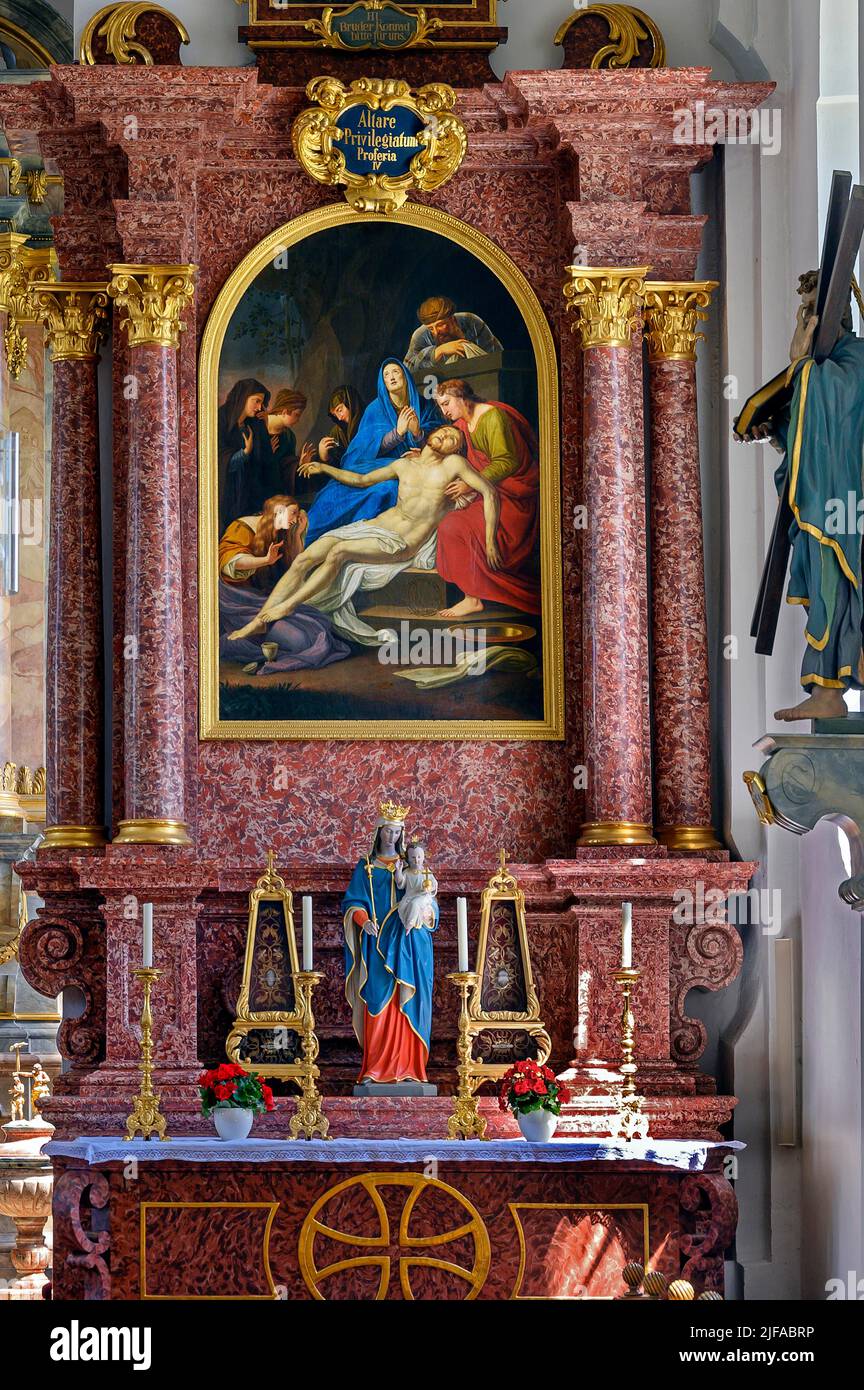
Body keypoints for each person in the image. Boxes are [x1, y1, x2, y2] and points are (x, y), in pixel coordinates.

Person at [227, 425, 500, 645]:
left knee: (339, 552)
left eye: (453, 437)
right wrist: (324, 468)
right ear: (430, 434)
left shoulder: (453, 464)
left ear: (456, 448)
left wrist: (489, 541)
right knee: (305, 558)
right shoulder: (403, 466)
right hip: (374, 527)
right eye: (444, 430)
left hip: (402, 542)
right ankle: (258, 621)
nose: (446, 434)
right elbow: (361, 481)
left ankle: (286, 607)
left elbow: (489, 492)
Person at [742, 273, 864, 721]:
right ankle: (826, 691)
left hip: (844, 511)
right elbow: (809, 436)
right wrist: (775, 428)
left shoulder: (854, 362)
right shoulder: (822, 372)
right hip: (821, 504)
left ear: (837, 314)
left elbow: (836, 413)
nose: (806, 319)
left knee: (836, 594)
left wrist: (798, 366)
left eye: (813, 309)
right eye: (804, 311)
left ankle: (829, 691)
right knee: (822, 591)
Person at [342, 803, 438, 1085]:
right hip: (378, 943)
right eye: (387, 831)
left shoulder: (413, 867)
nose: (391, 837)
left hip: (411, 943)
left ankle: (410, 1068)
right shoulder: (367, 866)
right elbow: (353, 901)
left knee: (410, 1000)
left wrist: (428, 912)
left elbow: (431, 903)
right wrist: (362, 921)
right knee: (379, 999)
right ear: (379, 831)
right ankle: (375, 1068)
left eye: (397, 832)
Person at [434, 378, 541, 618]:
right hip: (489, 494)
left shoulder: (492, 418)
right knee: (449, 525)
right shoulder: (463, 423)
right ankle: (471, 595)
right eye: (440, 405)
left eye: (447, 403)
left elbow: (507, 462)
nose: (444, 411)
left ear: (462, 398)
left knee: (454, 526)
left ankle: (473, 599)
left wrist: (470, 486)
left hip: (514, 500)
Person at [304, 359, 441, 544]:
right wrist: (398, 433)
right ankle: (307, 536)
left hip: (411, 469)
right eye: (386, 375)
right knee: (336, 494)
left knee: (386, 490)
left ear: (405, 375)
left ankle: (357, 538)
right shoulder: (375, 410)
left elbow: (439, 442)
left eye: (395, 372)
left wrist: (418, 434)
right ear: (382, 382)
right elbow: (363, 448)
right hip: (374, 466)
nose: (391, 377)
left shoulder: (425, 406)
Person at [218, 494, 350, 673]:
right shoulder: (243, 527)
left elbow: (295, 570)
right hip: (239, 603)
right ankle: (227, 643)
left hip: (267, 601)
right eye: (293, 513)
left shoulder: (282, 532)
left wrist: (297, 534)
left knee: (319, 630)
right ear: (278, 510)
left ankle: (257, 636)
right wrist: (264, 560)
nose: (295, 519)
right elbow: (229, 564)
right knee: (301, 641)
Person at [218, 378, 270, 529]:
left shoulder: (255, 424)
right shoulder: (221, 419)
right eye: (256, 401)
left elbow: (266, 464)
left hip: (250, 495)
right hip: (229, 495)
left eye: (261, 402)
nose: (260, 407)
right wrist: (245, 452)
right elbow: (219, 462)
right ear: (243, 397)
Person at [405, 295, 502, 371]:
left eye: (440, 325)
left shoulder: (471, 322)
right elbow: (406, 369)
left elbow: (497, 355)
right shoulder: (421, 335)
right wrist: (438, 351)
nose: (436, 332)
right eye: (431, 328)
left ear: (452, 319)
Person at [263, 389, 314, 496]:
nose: (298, 420)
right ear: (284, 412)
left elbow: (285, 471)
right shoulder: (258, 427)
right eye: (297, 415)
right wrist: (266, 454)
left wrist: (299, 465)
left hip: (277, 493)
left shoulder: (289, 437)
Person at [316, 385, 364, 468]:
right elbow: (336, 466)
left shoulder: (370, 420)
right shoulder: (337, 432)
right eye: (335, 414)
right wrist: (324, 457)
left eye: (340, 410)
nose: (339, 417)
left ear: (350, 403)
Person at [396, 841, 438, 934]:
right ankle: (409, 923)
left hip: (423, 897)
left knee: (415, 903)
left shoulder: (426, 871)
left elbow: (434, 884)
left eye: (419, 857)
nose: (416, 860)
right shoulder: (407, 872)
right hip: (409, 898)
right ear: (408, 858)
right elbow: (400, 883)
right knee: (409, 904)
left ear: (423, 857)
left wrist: (429, 887)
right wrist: (398, 871)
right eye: (413, 857)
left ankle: (409, 925)